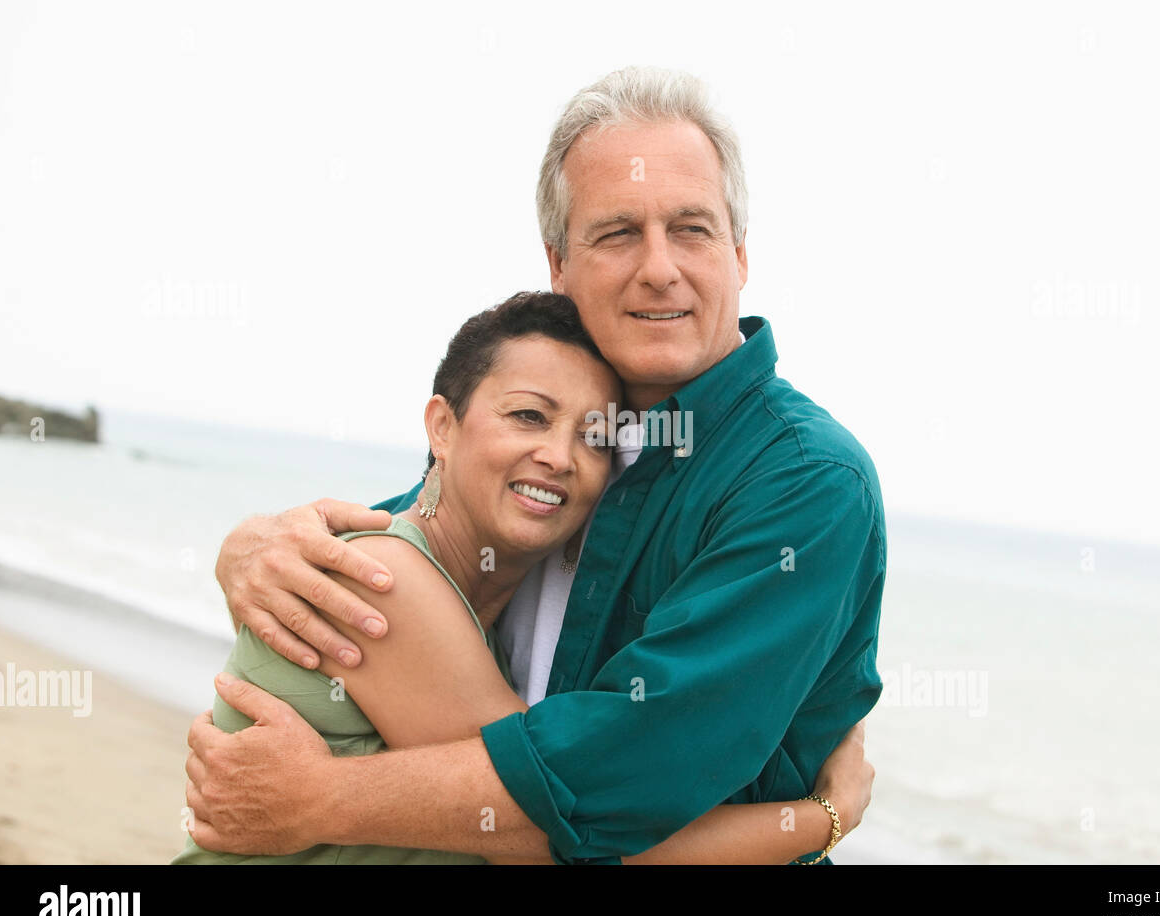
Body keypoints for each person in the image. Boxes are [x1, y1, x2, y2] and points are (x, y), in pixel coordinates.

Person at [187, 66, 885, 865]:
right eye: (618, 232)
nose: (659, 267)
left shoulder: (804, 482)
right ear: (558, 264)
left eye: (691, 228)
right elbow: (418, 539)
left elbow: (616, 777)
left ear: (740, 254)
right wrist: (250, 544)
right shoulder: (576, 444)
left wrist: (322, 799)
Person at [175, 291, 869, 864]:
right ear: (442, 426)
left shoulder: (460, 584)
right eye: (528, 416)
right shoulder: (383, 583)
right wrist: (822, 819)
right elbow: (560, 829)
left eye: (595, 437)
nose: (559, 455)